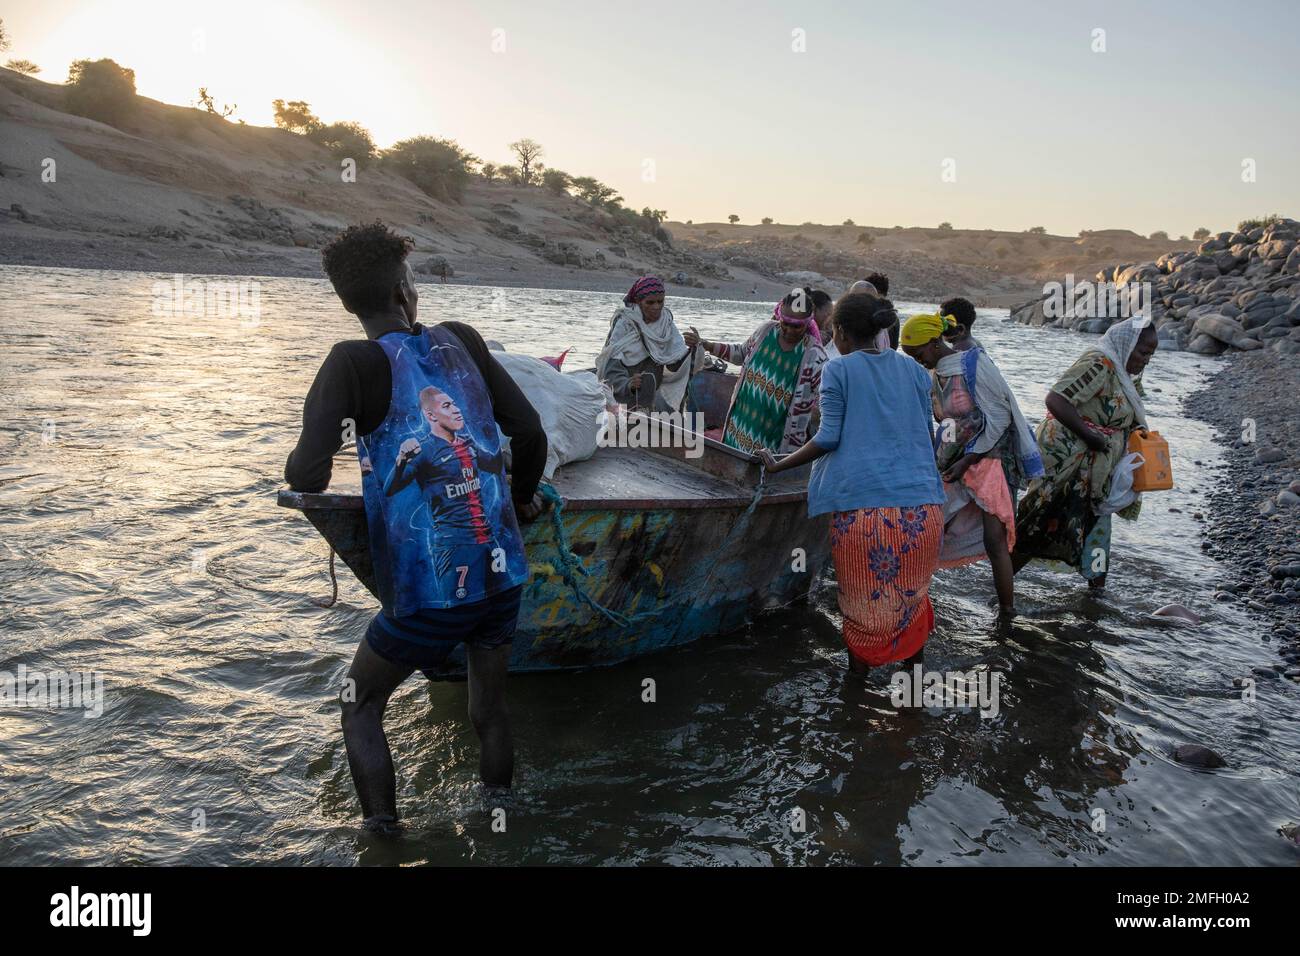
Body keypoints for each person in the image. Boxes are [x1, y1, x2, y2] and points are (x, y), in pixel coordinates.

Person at [284, 221, 547, 833]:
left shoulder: (351, 362)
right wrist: (526, 497)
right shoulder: (463, 339)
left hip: (428, 593)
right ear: (404, 292)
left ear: (348, 301)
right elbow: (528, 432)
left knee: (360, 702)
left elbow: (307, 477)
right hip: (502, 574)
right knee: (488, 706)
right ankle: (499, 813)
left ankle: (384, 836)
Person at [758, 294, 945, 672]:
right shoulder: (914, 371)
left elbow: (828, 437)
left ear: (840, 332)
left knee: (863, 611)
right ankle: (909, 707)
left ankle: (856, 699)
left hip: (866, 515)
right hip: (924, 511)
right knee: (911, 606)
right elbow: (926, 435)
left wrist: (778, 465)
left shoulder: (838, 370)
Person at [901, 313, 1043, 614]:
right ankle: (914, 600)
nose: (918, 360)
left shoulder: (975, 364)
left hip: (990, 459)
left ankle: (1007, 612)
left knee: (995, 541)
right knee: (930, 527)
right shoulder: (936, 373)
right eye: (912, 357)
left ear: (935, 342)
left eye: (919, 353)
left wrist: (969, 459)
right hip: (955, 460)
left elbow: (1000, 417)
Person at [1012, 317, 1159, 589]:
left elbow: (1124, 414)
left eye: (1151, 354)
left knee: (1098, 532)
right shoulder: (1099, 363)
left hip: (1098, 470)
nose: (1147, 360)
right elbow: (1056, 399)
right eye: (1144, 352)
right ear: (1126, 345)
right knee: (1039, 524)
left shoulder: (1125, 376)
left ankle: (1096, 601)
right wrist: (1091, 436)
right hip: (1067, 463)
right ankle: (1002, 591)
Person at [684, 289, 828, 455]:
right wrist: (706, 344)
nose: (789, 330)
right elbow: (740, 353)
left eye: (797, 326)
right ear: (779, 317)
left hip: (776, 442)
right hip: (739, 426)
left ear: (808, 323)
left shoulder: (815, 356)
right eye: (785, 323)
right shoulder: (765, 331)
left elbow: (824, 398)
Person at [596, 276, 691, 410]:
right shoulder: (625, 323)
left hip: (651, 392)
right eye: (650, 303)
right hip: (623, 397)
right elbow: (611, 369)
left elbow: (676, 362)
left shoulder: (665, 322)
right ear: (638, 301)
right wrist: (628, 384)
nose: (656, 307)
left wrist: (694, 348)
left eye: (660, 301)